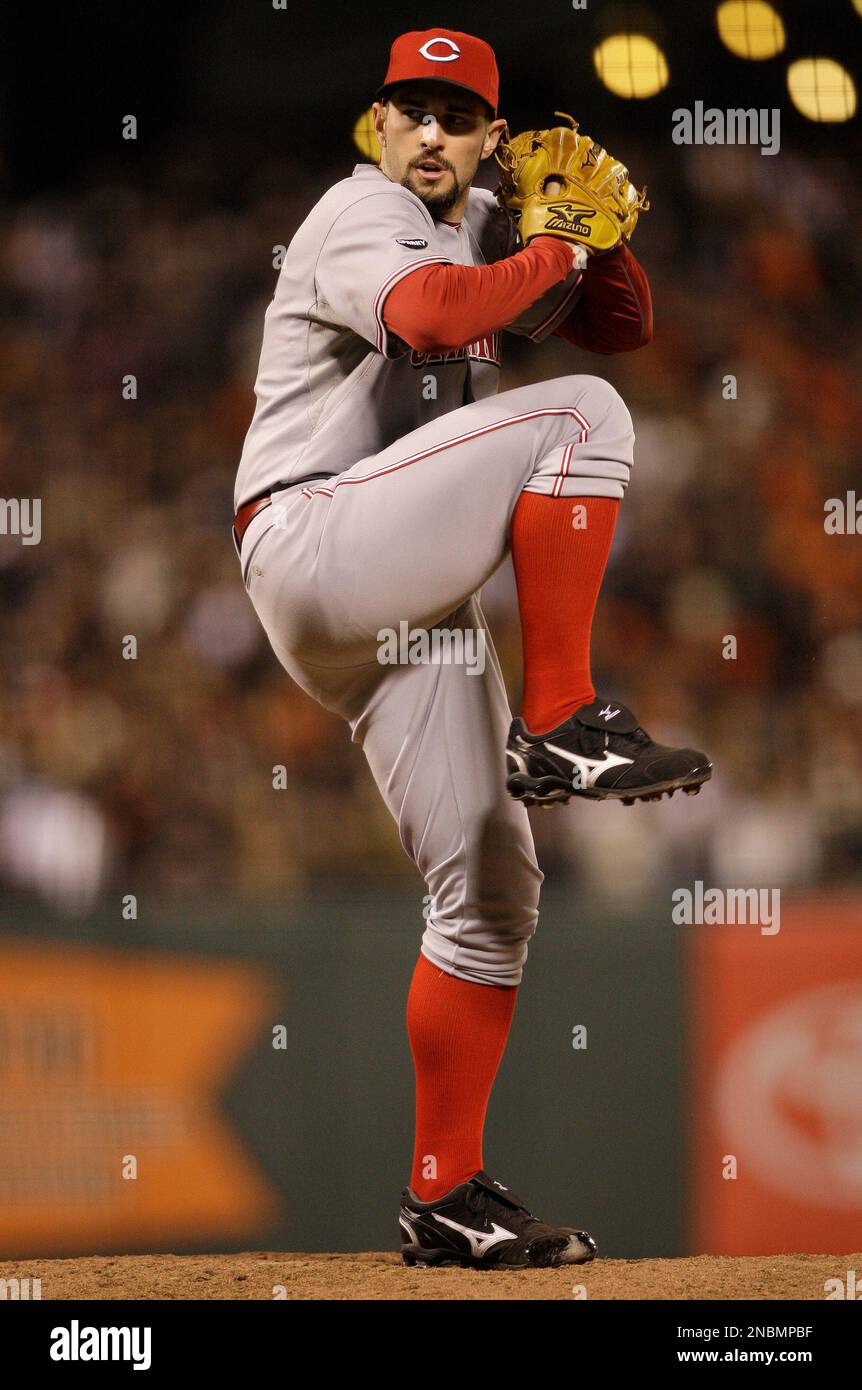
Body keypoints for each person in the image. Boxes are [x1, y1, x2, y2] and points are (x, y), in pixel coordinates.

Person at [233, 27, 711, 1268]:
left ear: (492, 133)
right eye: (415, 111)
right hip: (316, 534)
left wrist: (593, 239)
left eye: (459, 115)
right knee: (578, 419)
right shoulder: (357, 210)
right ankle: (560, 716)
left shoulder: (496, 213)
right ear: (378, 121)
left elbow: (624, 324)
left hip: (398, 601)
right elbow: (438, 321)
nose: (433, 134)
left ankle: (443, 1196)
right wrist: (551, 239)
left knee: (494, 891)